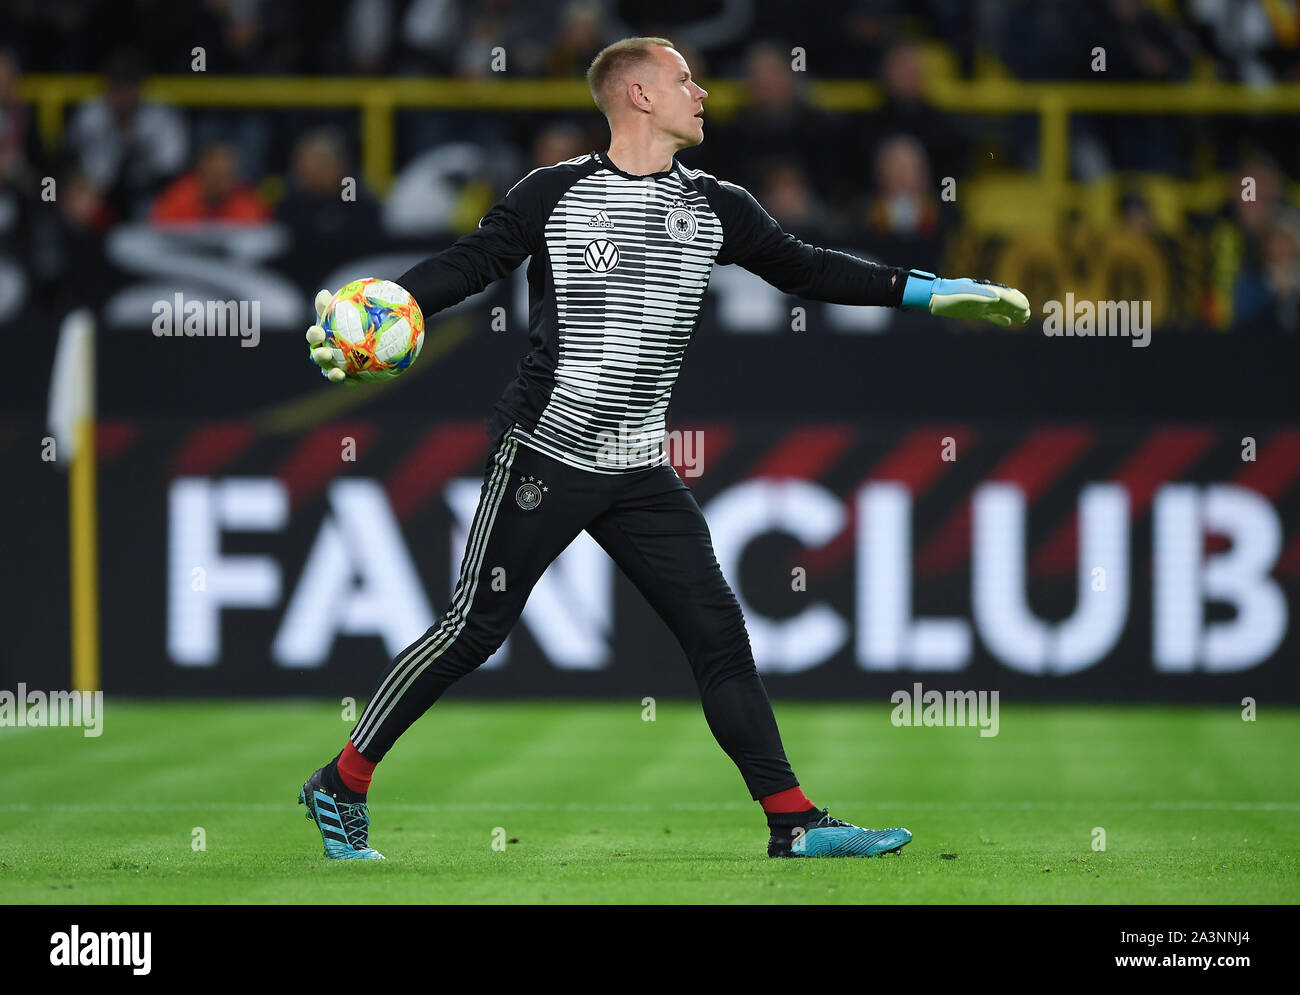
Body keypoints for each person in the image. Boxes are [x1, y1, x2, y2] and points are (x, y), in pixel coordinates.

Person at [299, 37, 1030, 861]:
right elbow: (473, 264)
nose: (704, 91)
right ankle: (341, 780)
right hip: (547, 450)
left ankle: (793, 822)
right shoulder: (556, 193)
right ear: (638, 95)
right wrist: (392, 304)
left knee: (718, 634)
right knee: (475, 627)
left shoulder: (718, 204)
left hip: (638, 466)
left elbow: (805, 268)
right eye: (686, 79)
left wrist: (933, 294)